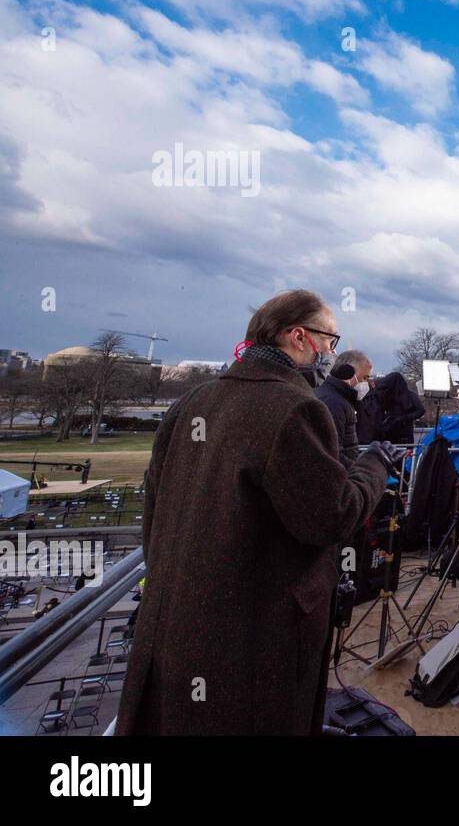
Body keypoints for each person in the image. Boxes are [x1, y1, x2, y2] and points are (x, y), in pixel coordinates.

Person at [116, 290, 401, 735]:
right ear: (299, 336)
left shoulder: (193, 402)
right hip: (250, 648)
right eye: (330, 339)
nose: (333, 352)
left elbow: (153, 510)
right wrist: (374, 466)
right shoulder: (295, 408)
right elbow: (331, 517)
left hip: (173, 630)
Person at [314, 350, 372, 464]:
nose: (366, 383)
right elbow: (332, 453)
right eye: (365, 378)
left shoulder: (337, 398)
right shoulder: (334, 402)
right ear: (347, 372)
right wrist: (359, 472)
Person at [357, 371, 424, 445]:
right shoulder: (391, 396)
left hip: (401, 433)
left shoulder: (406, 396)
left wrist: (402, 419)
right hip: (393, 433)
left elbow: (420, 411)